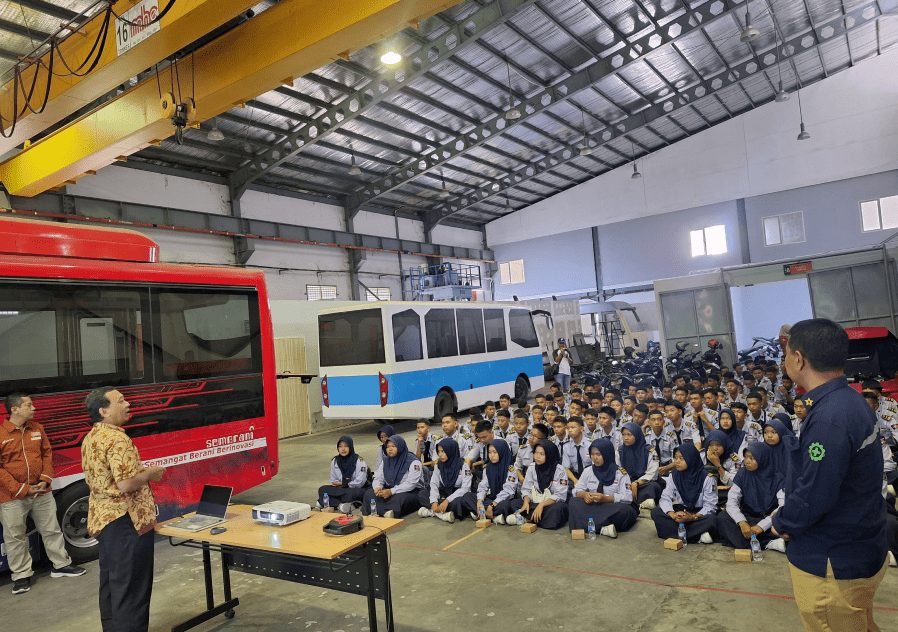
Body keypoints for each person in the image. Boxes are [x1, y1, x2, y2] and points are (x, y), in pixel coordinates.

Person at [770, 319, 888, 632]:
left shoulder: (829, 419)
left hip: (833, 561)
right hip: (860, 543)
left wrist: (782, 522)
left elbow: (815, 493)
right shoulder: (849, 400)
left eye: (786, 354)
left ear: (798, 359)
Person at [81, 387, 165, 632]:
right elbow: (126, 484)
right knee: (133, 590)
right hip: (127, 522)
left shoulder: (92, 437)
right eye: (121, 401)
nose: (128, 404)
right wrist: (150, 474)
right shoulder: (117, 439)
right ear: (103, 410)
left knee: (112, 584)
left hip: (105, 522)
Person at [0, 394, 85, 595]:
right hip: (12, 496)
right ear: (15, 409)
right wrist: (22, 488)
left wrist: (45, 480)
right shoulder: (1, 433)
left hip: (41, 491)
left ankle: (61, 565)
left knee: (51, 530)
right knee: (15, 536)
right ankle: (21, 576)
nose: (34, 408)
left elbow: (47, 454)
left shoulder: (37, 428)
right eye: (29, 405)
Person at [716, 442, 787, 553]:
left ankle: (744, 543)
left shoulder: (778, 477)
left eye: (752, 458)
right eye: (745, 457)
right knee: (722, 517)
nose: (747, 461)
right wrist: (742, 522)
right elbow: (732, 502)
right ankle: (768, 543)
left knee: (786, 524)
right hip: (748, 517)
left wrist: (762, 526)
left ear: (763, 458)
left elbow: (783, 506)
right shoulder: (743, 473)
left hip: (769, 518)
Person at [568, 439, 637, 538]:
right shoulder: (588, 471)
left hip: (610, 506)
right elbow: (576, 490)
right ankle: (604, 528)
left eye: (599, 454)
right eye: (592, 454)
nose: (595, 458)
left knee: (625, 511)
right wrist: (584, 495)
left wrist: (606, 499)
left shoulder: (620, 473)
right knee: (574, 502)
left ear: (607, 454)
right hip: (594, 505)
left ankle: (590, 526)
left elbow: (628, 497)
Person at [650, 444, 718, 544]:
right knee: (656, 512)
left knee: (713, 520)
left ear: (691, 459)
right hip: (683, 510)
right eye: (676, 458)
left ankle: (677, 533)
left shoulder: (707, 478)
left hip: (699, 513)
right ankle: (698, 535)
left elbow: (710, 506)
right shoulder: (674, 475)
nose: (677, 461)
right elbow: (666, 497)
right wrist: (672, 514)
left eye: (682, 458)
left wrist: (693, 517)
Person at [513, 440, 569, 530]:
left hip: (550, 504)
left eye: (542, 454)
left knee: (558, 508)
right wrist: (526, 502)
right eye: (536, 453)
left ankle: (529, 518)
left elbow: (560, 495)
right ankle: (538, 518)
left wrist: (542, 505)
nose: (537, 457)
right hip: (535, 501)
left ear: (549, 455)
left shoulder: (560, 470)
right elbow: (526, 489)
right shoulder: (532, 467)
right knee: (514, 503)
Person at [363, 435, 423, 518]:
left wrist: (392, 491)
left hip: (410, 491)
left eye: (393, 446)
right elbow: (379, 477)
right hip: (390, 488)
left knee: (400, 499)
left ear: (400, 446)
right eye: (387, 447)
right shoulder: (386, 460)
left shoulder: (413, 461)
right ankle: (385, 512)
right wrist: (378, 487)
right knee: (369, 493)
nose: (390, 449)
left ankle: (380, 511)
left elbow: (411, 484)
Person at [465, 440, 519, 525]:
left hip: (505, 499)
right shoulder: (488, 468)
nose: (491, 455)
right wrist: (480, 501)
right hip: (492, 498)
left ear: (502, 452)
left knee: (507, 505)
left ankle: (481, 513)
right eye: (489, 452)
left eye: (495, 452)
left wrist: (492, 505)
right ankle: (494, 516)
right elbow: (483, 486)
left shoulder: (511, 469)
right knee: (468, 496)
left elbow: (508, 491)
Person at [417, 439, 471, 523]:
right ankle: (441, 514)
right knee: (422, 494)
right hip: (444, 494)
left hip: (457, 496)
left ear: (451, 451)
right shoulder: (439, 465)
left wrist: (447, 501)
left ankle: (432, 512)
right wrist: (434, 501)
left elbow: (465, 489)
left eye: (443, 451)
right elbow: (434, 484)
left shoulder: (463, 465)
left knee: (460, 502)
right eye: (438, 451)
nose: (440, 454)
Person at [317, 436, 369, 513]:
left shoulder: (359, 461)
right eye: (340, 446)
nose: (343, 449)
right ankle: (341, 505)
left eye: (346, 446)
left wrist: (344, 483)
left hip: (356, 489)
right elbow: (334, 480)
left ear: (351, 447)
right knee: (322, 490)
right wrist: (341, 485)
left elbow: (360, 482)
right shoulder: (335, 461)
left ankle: (324, 502)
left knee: (354, 494)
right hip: (342, 489)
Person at [618, 421, 661, 509]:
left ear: (637, 435)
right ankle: (639, 501)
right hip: (627, 484)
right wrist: (629, 484)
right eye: (623, 434)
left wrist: (637, 483)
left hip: (644, 483)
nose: (625, 438)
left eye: (629, 435)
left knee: (654, 487)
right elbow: (617, 471)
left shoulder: (649, 451)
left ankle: (631, 500)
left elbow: (652, 473)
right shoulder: (620, 451)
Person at [763, 414, 798, 482]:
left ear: (781, 432)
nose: (769, 436)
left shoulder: (792, 450)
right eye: (765, 432)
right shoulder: (762, 450)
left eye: (774, 432)